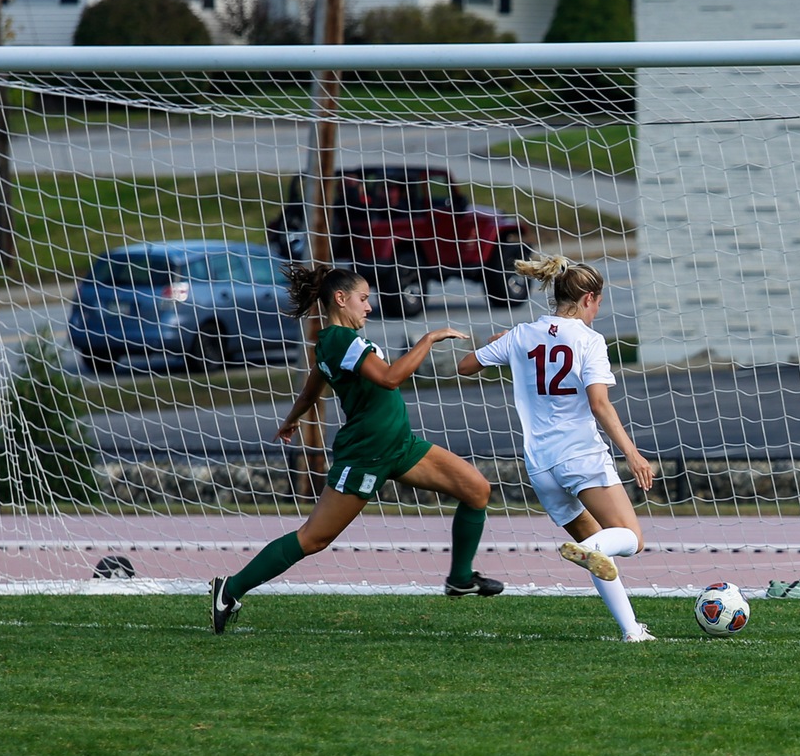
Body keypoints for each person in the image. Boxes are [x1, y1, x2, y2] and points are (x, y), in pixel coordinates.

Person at [209, 264, 501, 633]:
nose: (369, 306)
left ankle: (459, 579)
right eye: (363, 299)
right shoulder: (340, 341)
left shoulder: (335, 341)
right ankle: (229, 590)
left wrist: (292, 419)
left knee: (476, 490)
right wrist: (428, 339)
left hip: (399, 445)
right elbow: (391, 379)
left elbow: (313, 387)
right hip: (367, 454)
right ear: (340, 298)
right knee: (314, 538)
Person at [456, 255, 657, 642]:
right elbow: (599, 403)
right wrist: (632, 453)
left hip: (540, 465)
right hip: (580, 454)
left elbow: (465, 366)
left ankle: (632, 630)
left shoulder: (521, 334)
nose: (597, 312)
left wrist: (499, 343)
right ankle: (592, 549)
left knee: (596, 552)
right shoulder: (589, 340)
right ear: (587, 299)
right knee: (631, 538)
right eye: (598, 303)